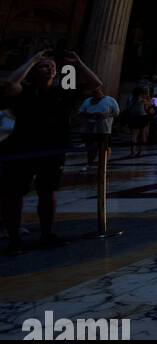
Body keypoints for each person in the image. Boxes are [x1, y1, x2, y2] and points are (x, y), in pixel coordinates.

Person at [1, 49, 101, 255]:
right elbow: (9, 84)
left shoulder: (62, 91)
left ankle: (47, 234)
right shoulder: (24, 91)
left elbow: (95, 84)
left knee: (48, 192)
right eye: (45, 67)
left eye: (53, 67)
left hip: (53, 149)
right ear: (34, 71)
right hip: (23, 147)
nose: (50, 69)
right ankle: (14, 238)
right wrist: (33, 60)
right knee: (15, 194)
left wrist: (79, 63)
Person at [78, 83, 120, 167]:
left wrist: (106, 115)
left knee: (105, 147)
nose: (95, 92)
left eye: (97, 90)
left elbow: (116, 113)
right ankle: (90, 163)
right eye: (93, 91)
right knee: (91, 147)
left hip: (105, 129)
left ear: (102, 91)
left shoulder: (110, 100)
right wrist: (90, 115)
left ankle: (103, 163)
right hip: (90, 129)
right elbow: (80, 112)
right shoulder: (87, 101)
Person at [125, 87, 153, 158]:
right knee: (142, 135)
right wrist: (149, 100)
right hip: (142, 118)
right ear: (142, 93)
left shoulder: (130, 99)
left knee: (133, 135)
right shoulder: (144, 101)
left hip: (133, 117)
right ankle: (140, 151)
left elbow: (127, 108)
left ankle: (132, 152)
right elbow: (149, 110)